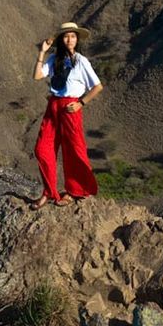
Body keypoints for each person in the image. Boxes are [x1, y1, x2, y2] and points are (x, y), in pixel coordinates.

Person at [31, 21, 102, 207]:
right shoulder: (54, 59)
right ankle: (49, 192)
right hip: (53, 106)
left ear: (77, 39)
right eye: (66, 36)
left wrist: (81, 103)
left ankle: (75, 191)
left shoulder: (81, 61)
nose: (69, 39)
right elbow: (37, 76)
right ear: (61, 40)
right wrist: (42, 52)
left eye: (73, 36)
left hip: (71, 108)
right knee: (42, 149)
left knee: (73, 150)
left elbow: (97, 86)